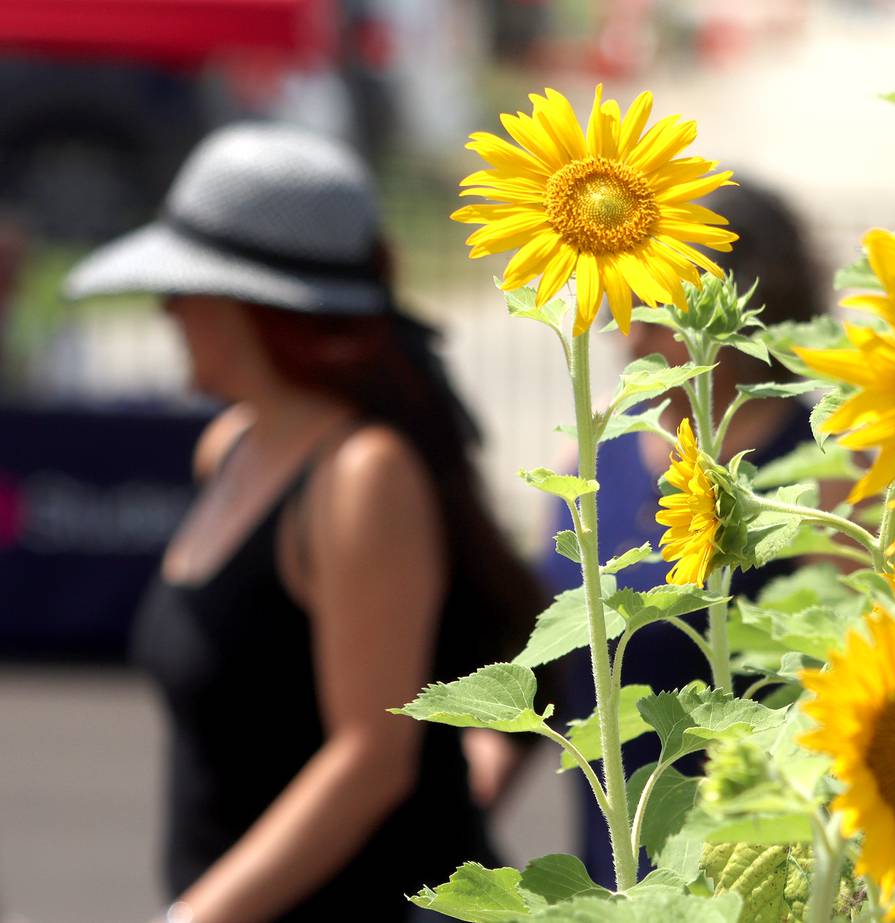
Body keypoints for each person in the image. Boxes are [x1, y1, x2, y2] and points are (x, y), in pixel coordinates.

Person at [63, 123, 546, 923]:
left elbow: (372, 758)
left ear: (254, 306)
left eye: (184, 286)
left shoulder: (363, 474)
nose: (165, 308)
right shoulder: (231, 446)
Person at [537, 178, 828, 884]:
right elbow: (553, 652)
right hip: (611, 863)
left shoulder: (819, 471)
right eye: (627, 299)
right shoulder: (593, 441)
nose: (631, 332)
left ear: (736, 308)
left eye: (659, 308)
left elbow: (839, 681)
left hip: (749, 875)